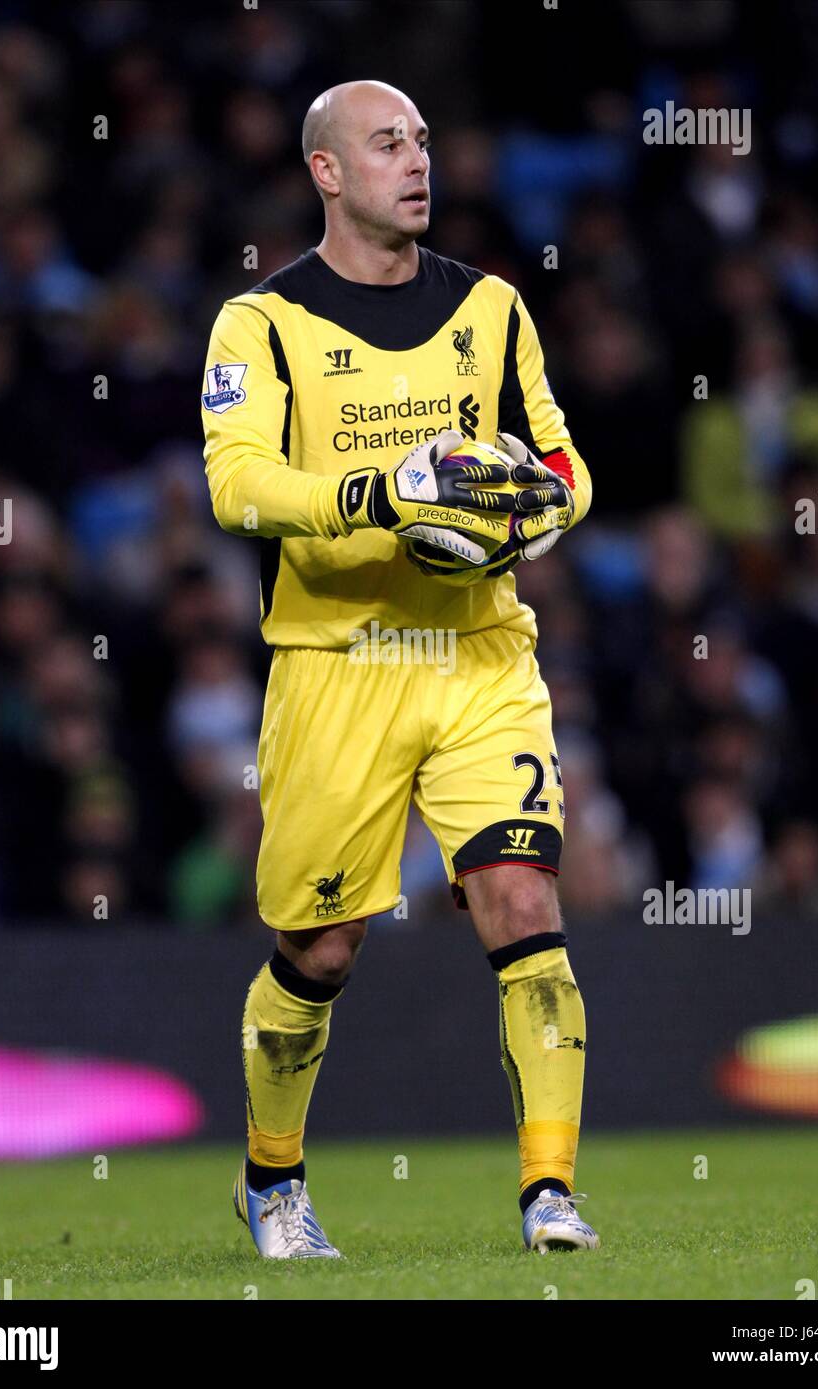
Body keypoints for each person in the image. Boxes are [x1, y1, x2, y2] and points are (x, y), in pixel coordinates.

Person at [201, 80, 597, 1257]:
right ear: (327, 172)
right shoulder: (259, 323)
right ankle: (274, 1181)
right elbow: (238, 486)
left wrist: (533, 516)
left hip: (478, 651)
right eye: (386, 145)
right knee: (322, 948)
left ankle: (549, 1192)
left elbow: (566, 465)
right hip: (338, 659)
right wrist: (383, 495)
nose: (415, 162)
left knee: (523, 899)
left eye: (423, 141)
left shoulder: (494, 308)